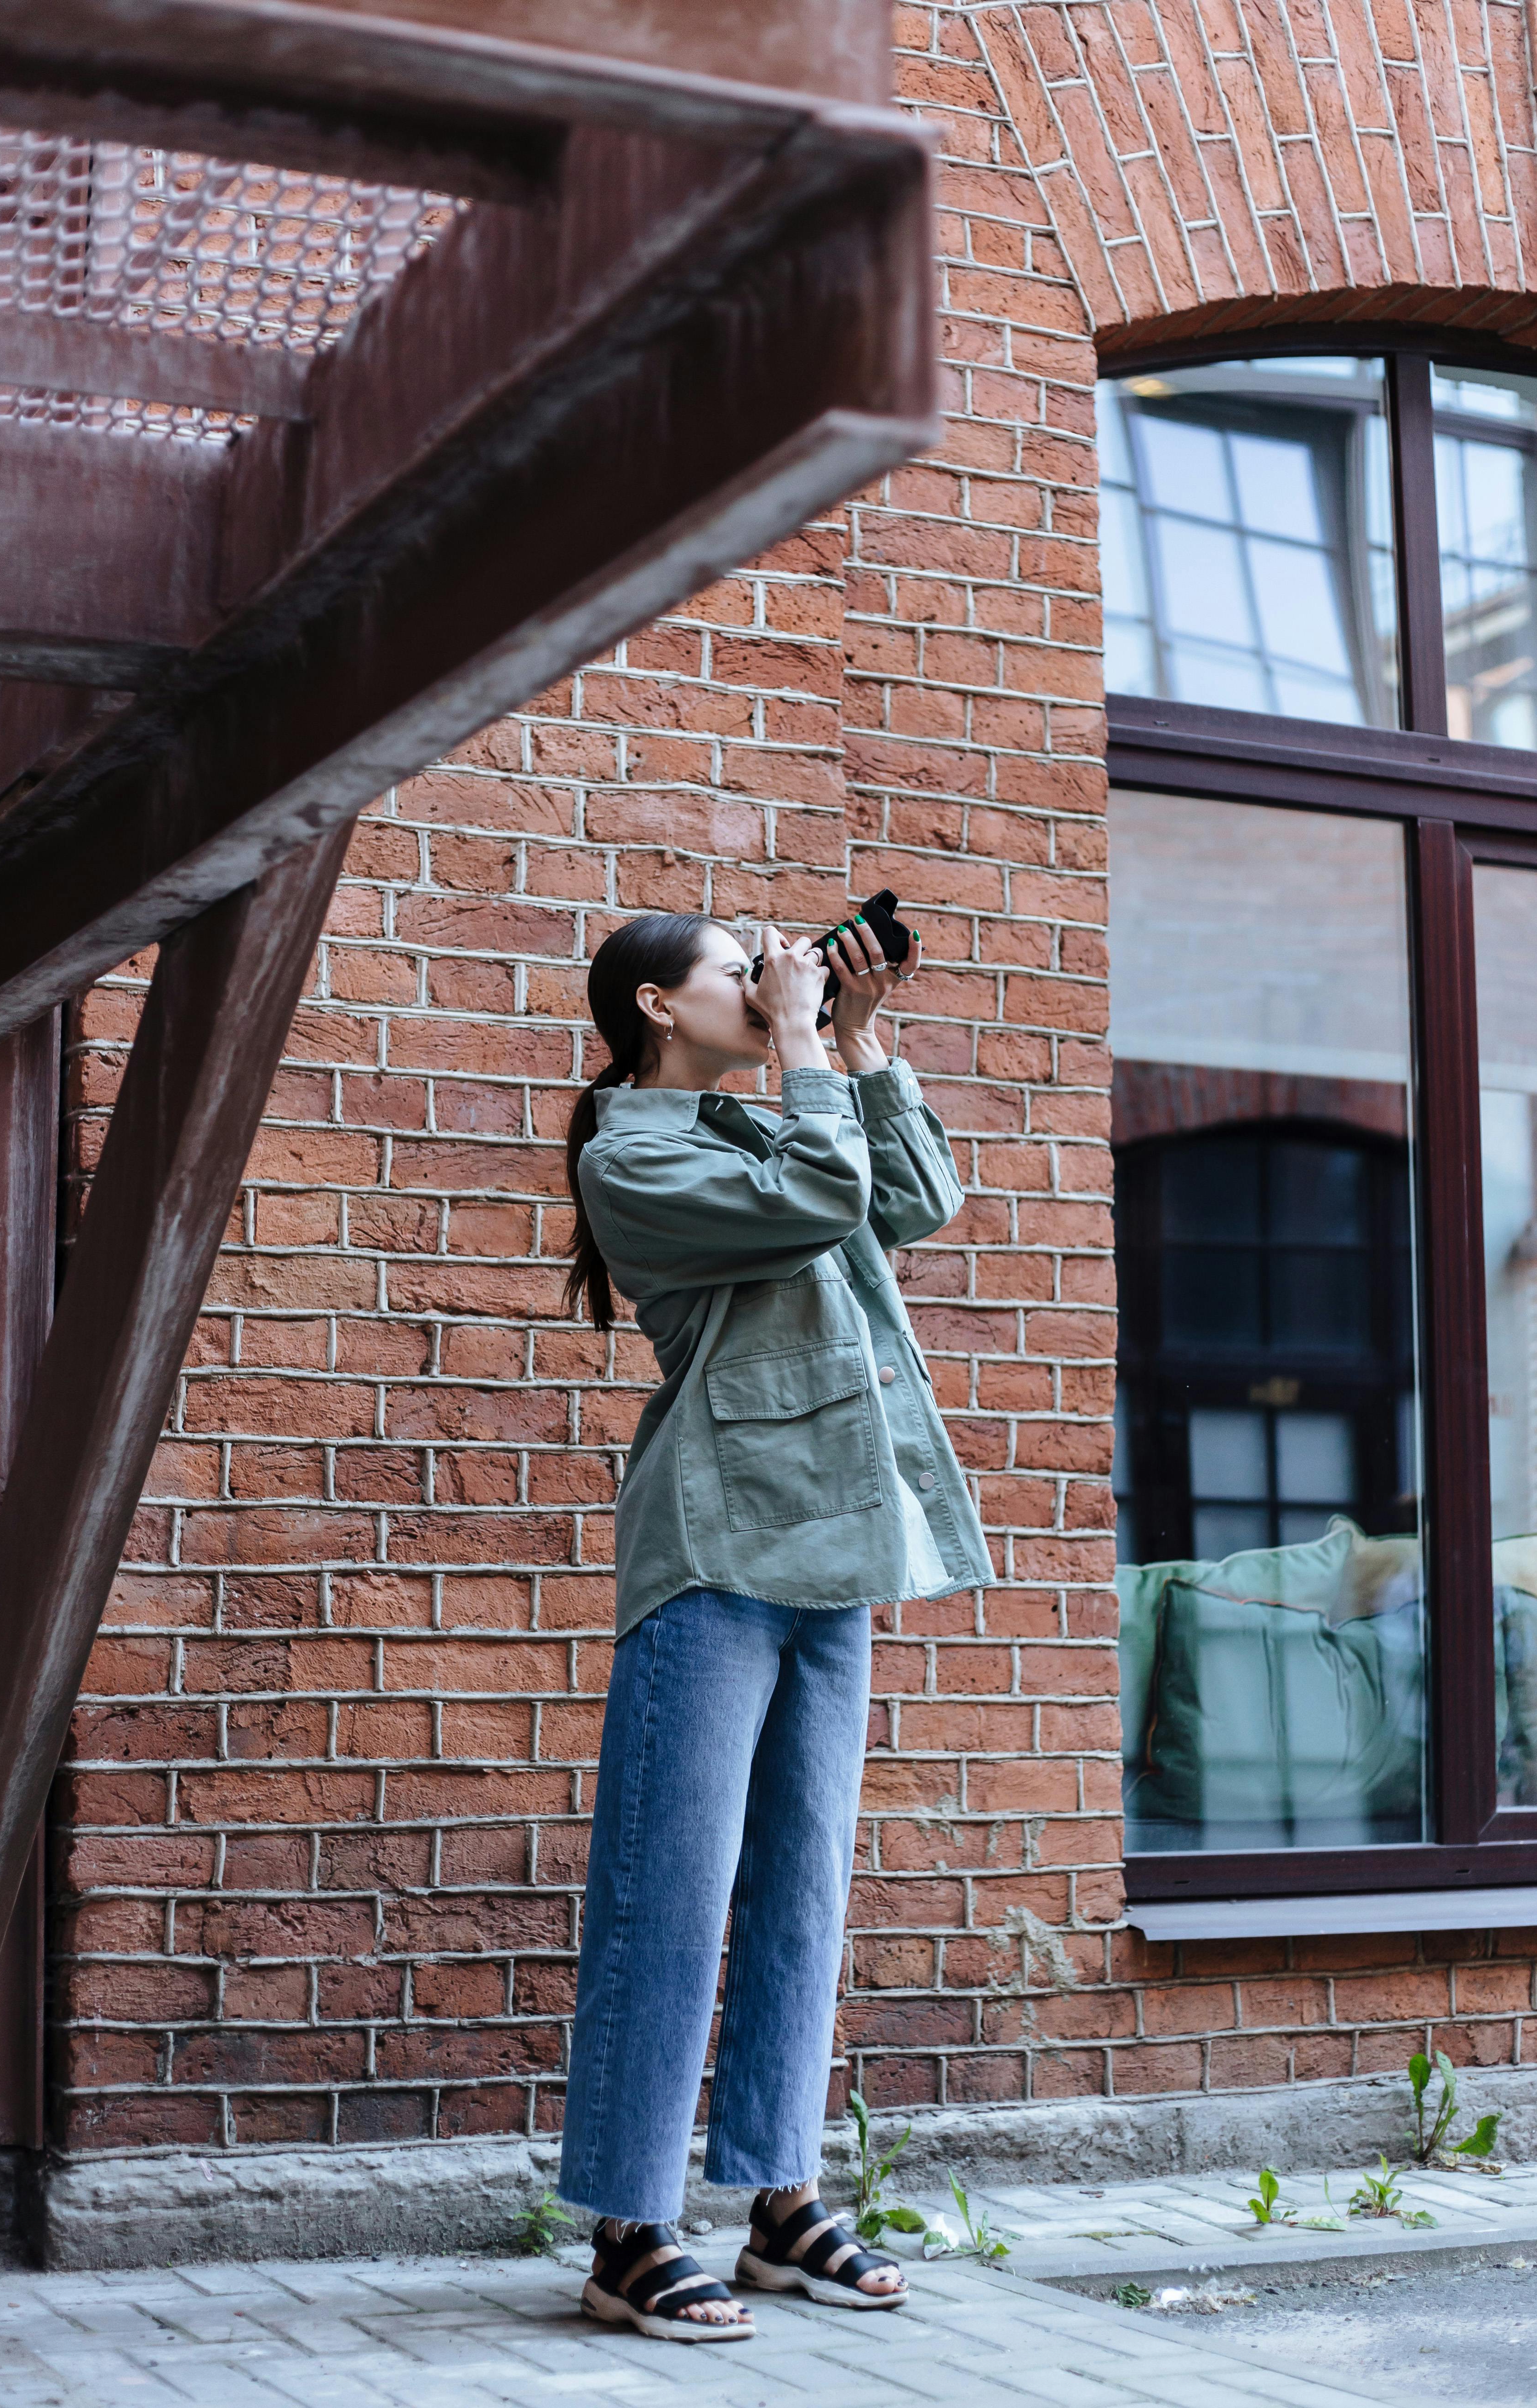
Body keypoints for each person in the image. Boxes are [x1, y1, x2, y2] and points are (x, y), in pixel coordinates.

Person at [555, 907, 991, 2341]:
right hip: (719, 1541)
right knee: (670, 1894)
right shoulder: (636, 1151)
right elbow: (824, 1201)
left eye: (770, 965)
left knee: (801, 1887)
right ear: (657, 1009)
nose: (767, 982)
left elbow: (909, 1200)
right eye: (736, 972)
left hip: (837, 1534)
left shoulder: (768, 1120)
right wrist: (808, 1045)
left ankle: (779, 2200)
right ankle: (629, 2227)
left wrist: (855, 1042)